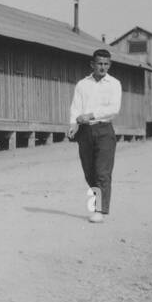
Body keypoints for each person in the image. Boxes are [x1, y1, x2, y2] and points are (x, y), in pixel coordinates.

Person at [67, 49, 122, 223]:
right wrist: (73, 125)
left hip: (104, 130)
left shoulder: (114, 84)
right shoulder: (82, 84)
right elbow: (76, 107)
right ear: (92, 64)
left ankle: (100, 210)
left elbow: (114, 109)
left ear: (110, 65)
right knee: (89, 173)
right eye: (99, 63)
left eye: (106, 64)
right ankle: (97, 206)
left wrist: (91, 115)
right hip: (85, 132)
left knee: (102, 172)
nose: (103, 67)